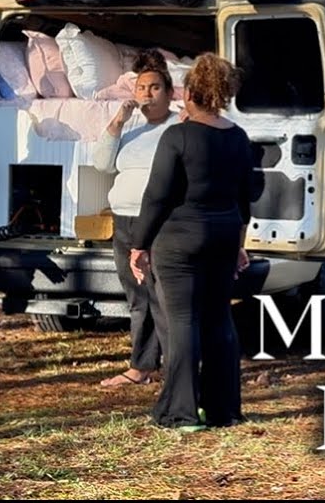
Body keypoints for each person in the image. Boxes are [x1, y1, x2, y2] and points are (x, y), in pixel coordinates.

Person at [129, 52, 259, 431]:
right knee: (220, 319)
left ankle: (181, 412)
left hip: (180, 240)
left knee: (183, 322)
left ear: (189, 91)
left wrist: (139, 244)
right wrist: (238, 243)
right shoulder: (237, 137)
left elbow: (157, 197)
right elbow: (245, 197)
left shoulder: (178, 136)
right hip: (223, 235)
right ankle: (223, 410)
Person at [90, 50, 181, 388]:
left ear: (169, 92)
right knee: (137, 296)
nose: (146, 94)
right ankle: (141, 366)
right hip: (124, 221)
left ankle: (175, 367)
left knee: (163, 296)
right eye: (141, 88)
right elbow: (102, 163)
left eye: (155, 87)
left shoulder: (178, 127)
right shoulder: (130, 132)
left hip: (159, 222)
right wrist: (116, 122)